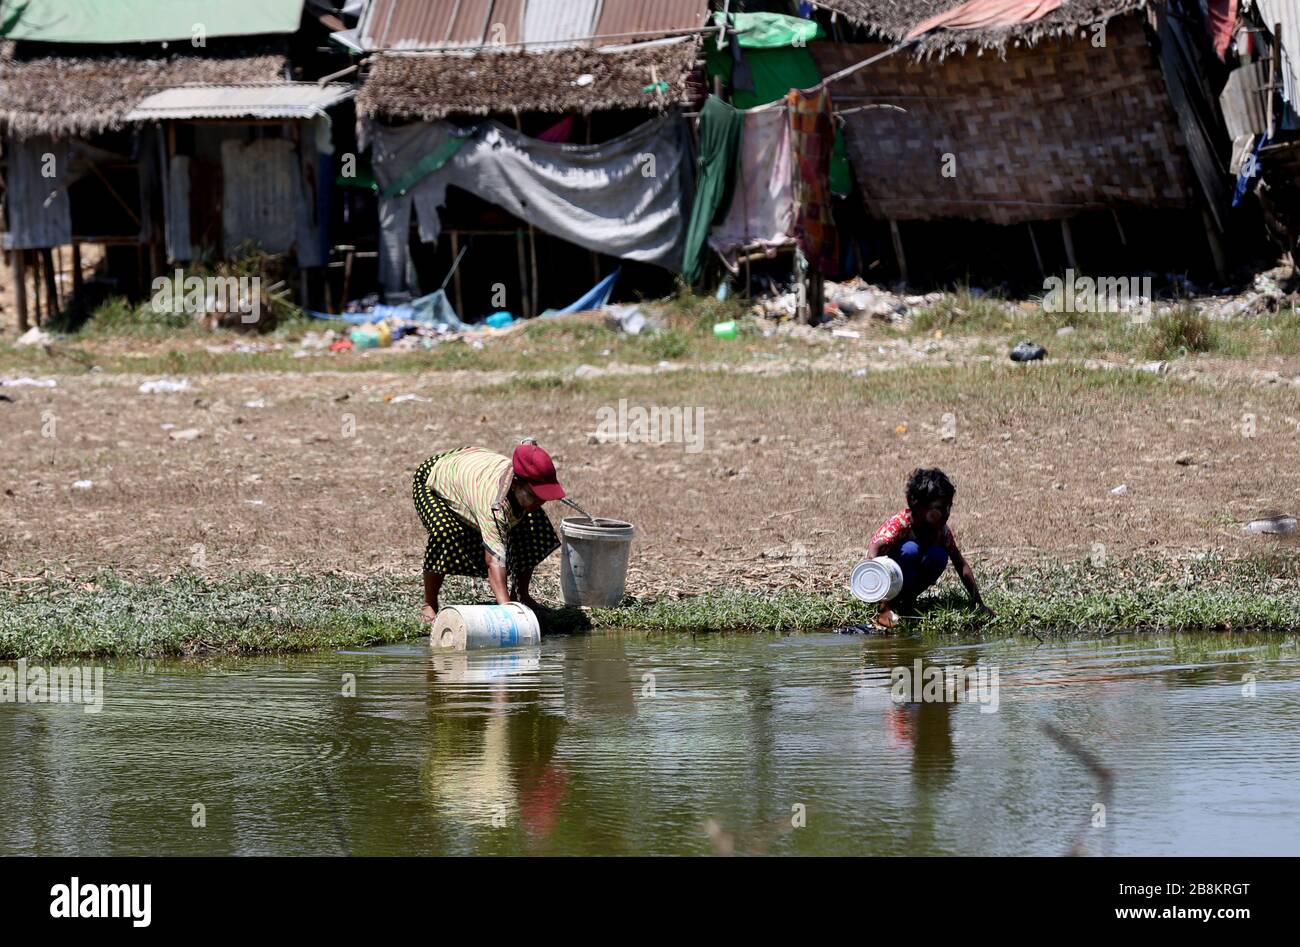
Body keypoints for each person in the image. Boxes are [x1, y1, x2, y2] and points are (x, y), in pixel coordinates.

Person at [413, 440, 565, 622]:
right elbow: (494, 561)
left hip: (471, 465)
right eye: (534, 496)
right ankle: (429, 603)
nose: (539, 502)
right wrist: (508, 613)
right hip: (436, 477)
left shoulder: (520, 488)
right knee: (445, 533)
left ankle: (521, 595)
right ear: (515, 484)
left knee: (534, 523)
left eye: (543, 498)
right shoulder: (493, 504)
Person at [866, 467, 994, 628]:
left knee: (938, 555)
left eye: (949, 507)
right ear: (919, 507)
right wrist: (883, 605)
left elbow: (961, 566)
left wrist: (979, 603)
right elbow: (873, 554)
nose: (946, 513)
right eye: (940, 508)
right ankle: (887, 608)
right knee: (910, 550)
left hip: (904, 584)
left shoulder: (941, 531)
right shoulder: (900, 524)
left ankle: (907, 601)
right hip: (882, 584)